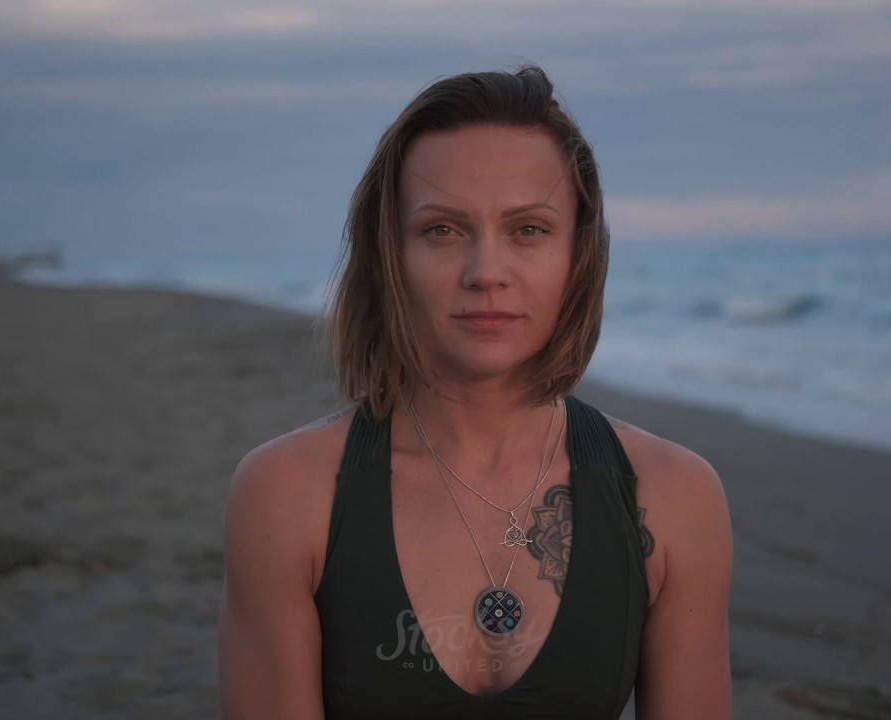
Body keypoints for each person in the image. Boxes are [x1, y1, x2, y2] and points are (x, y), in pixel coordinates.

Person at [218, 64, 733, 719]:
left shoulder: (673, 497)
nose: (486, 273)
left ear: (578, 255)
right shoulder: (288, 495)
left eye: (528, 230)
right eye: (442, 229)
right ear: (389, 258)